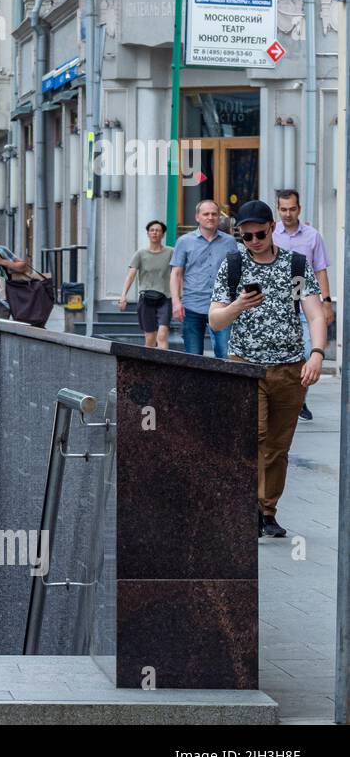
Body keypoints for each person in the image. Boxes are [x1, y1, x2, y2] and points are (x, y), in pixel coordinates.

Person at [208, 201, 325, 540]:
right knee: (252, 438)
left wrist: (316, 353)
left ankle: (266, 510)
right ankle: (244, 506)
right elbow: (216, 320)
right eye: (247, 236)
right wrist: (237, 306)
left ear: (273, 227)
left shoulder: (295, 265)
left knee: (277, 446)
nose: (254, 241)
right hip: (246, 366)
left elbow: (314, 314)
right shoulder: (233, 264)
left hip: (290, 369)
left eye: (260, 234)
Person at [272, 189, 333, 421]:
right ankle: (291, 399)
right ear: (278, 209)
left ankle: (299, 398)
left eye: (292, 209)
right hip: (278, 304)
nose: (288, 214)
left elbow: (320, 269)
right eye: (283, 209)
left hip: (307, 303)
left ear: (300, 209)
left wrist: (326, 302)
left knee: (309, 351)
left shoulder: (312, 235)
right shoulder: (270, 233)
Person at [170, 199, 235, 357]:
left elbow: (236, 273)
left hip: (222, 305)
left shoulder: (230, 242)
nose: (210, 217)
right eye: (206, 214)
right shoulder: (184, 242)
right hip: (192, 306)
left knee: (224, 355)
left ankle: (223, 383)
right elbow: (175, 273)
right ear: (197, 217)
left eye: (214, 214)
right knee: (193, 357)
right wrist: (176, 302)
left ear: (219, 216)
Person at [119, 220, 174, 350]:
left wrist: (180, 296)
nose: (155, 233)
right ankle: (149, 367)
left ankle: (163, 367)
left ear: (163, 234)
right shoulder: (140, 254)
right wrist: (123, 295)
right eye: (152, 230)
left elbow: (178, 274)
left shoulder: (171, 252)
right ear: (148, 234)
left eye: (158, 230)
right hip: (146, 298)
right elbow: (130, 275)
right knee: (150, 339)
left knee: (162, 335)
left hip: (165, 298)